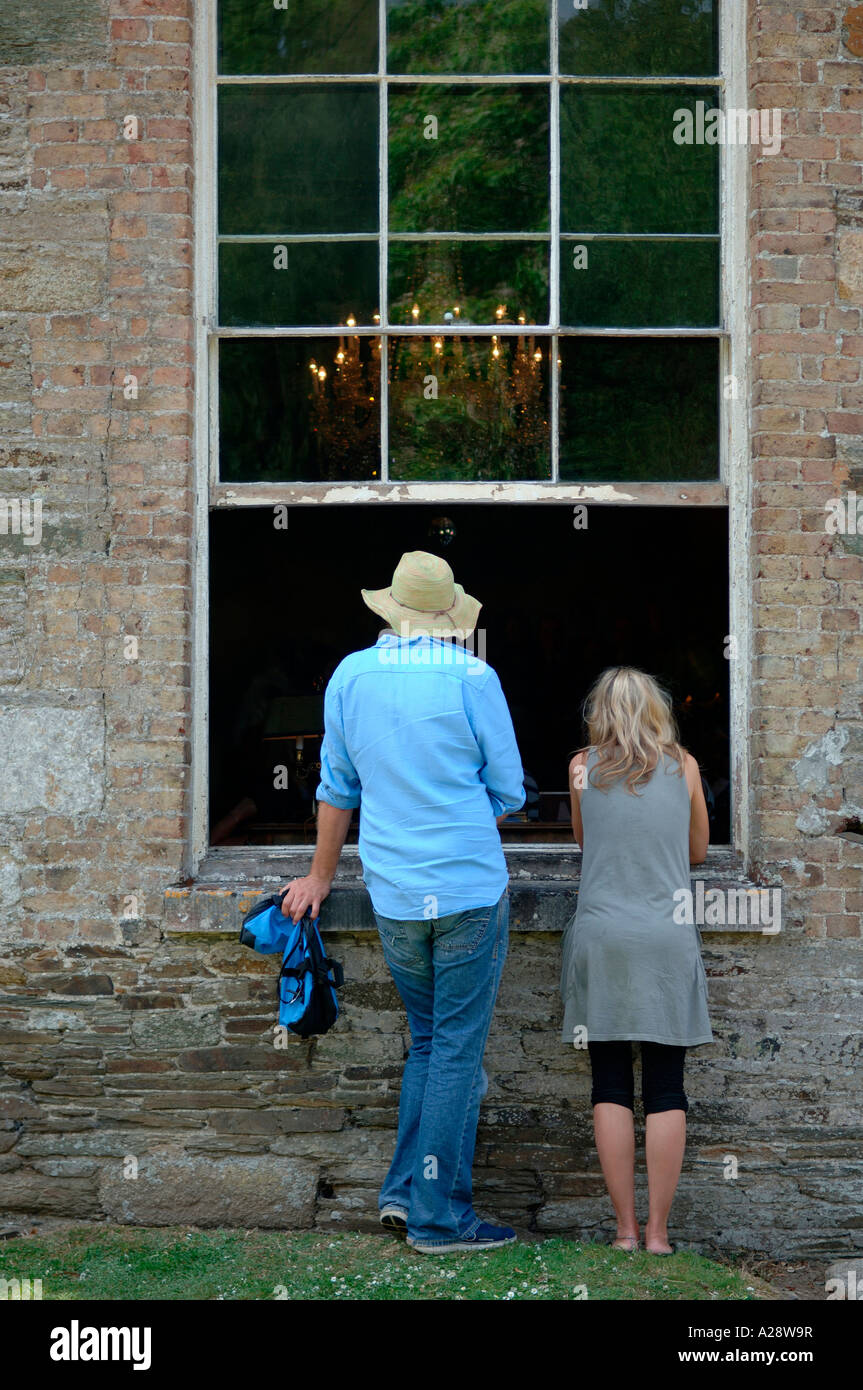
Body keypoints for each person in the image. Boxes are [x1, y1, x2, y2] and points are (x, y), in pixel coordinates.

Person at [279, 551, 526, 1254]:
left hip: (392, 892)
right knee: (452, 1051)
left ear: (390, 608)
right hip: (466, 888)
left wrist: (321, 877)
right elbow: (508, 791)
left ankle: (401, 1191)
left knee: (428, 1042)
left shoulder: (350, 675)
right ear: (449, 614)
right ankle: (438, 1218)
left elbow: (336, 786)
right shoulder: (473, 676)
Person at [561, 666, 712, 1255]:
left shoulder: (580, 767)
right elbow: (698, 849)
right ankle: (658, 1235)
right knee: (667, 1088)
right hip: (665, 938)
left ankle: (623, 1231)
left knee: (610, 1082)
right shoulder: (686, 766)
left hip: (602, 935)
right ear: (658, 710)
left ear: (599, 713)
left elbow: (583, 841)